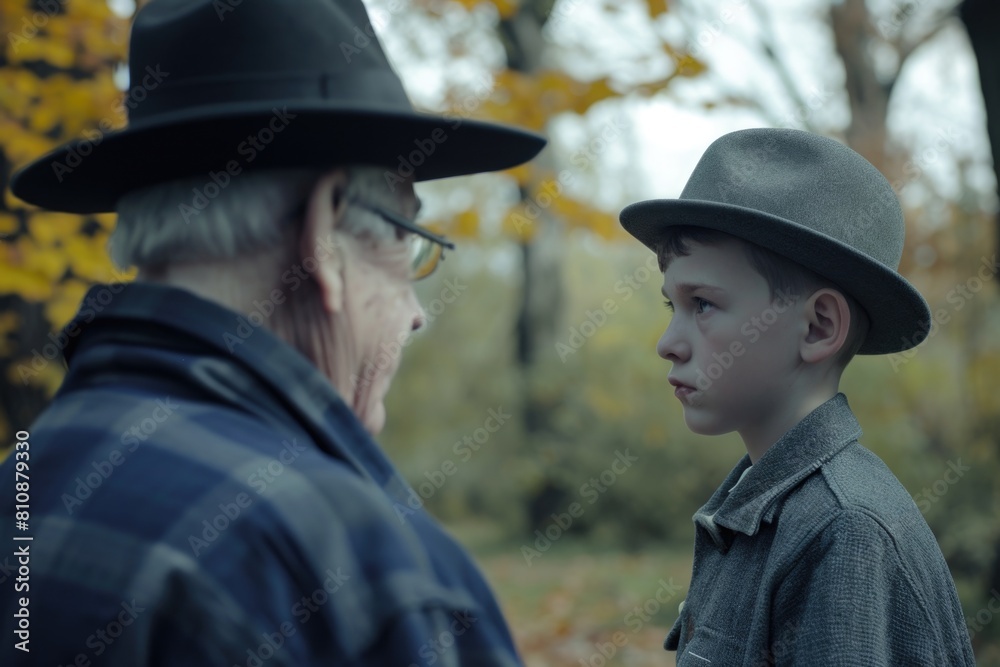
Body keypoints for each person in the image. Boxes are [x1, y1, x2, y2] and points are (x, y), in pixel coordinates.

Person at [0, 1, 545, 665]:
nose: (416, 311)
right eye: (407, 241)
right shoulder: (363, 569)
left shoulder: (23, 484)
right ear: (325, 230)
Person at [619, 128, 976, 665]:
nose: (668, 344)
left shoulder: (843, 531)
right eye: (673, 306)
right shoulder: (765, 512)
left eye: (704, 305)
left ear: (817, 327)